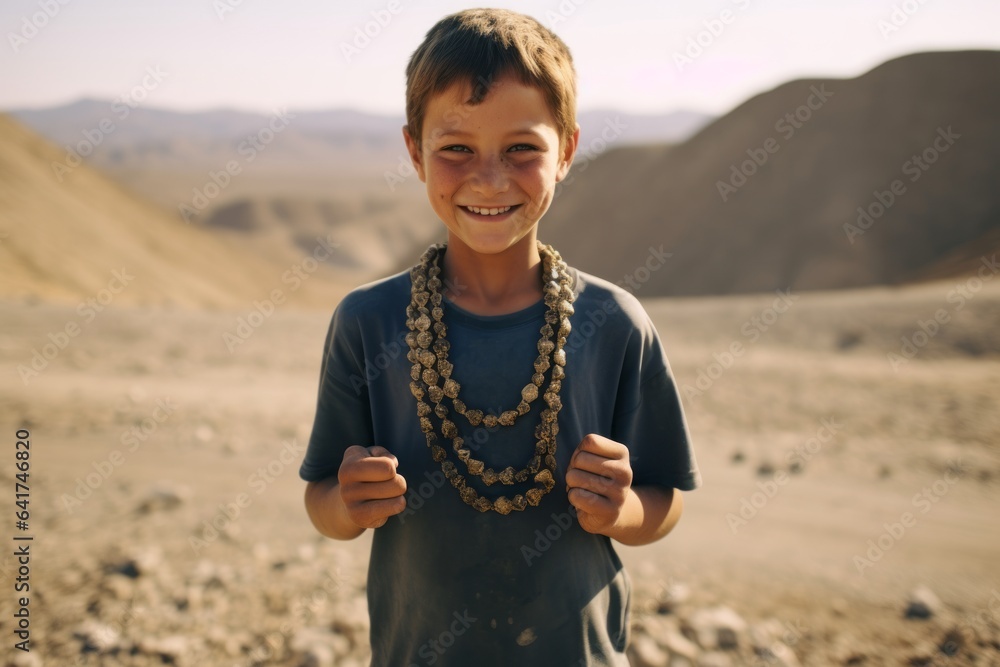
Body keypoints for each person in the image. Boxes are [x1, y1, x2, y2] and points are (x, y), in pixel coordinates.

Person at [300, 8, 700, 666]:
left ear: (567, 151)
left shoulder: (614, 322)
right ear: (414, 152)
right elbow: (321, 497)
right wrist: (346, 503)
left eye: (522, 148)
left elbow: (667, 499)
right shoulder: (368, 320)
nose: (489, 178)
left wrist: (623, 509)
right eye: (456, 148)